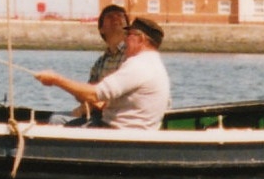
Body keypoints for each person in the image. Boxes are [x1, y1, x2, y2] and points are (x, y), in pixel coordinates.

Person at [35, 16, 171, 129]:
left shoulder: (139, 65)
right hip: (129, 132)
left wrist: (56, 80)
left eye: (128, 35)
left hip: (115, 133)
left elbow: (94, 94)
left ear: (140, 39)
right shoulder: (154, 63)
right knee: (58, 120)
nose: (125, 39)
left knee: (55, 123)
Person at [73, 4, 130, 121]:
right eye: (110, 16)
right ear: (101, 29)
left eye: (120, 16)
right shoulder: (100, 62)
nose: (116, 18)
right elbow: (87, 92)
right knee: (56, 118)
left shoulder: (131, 57)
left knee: (57, 120)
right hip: (98, 114)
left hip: (117, 117)